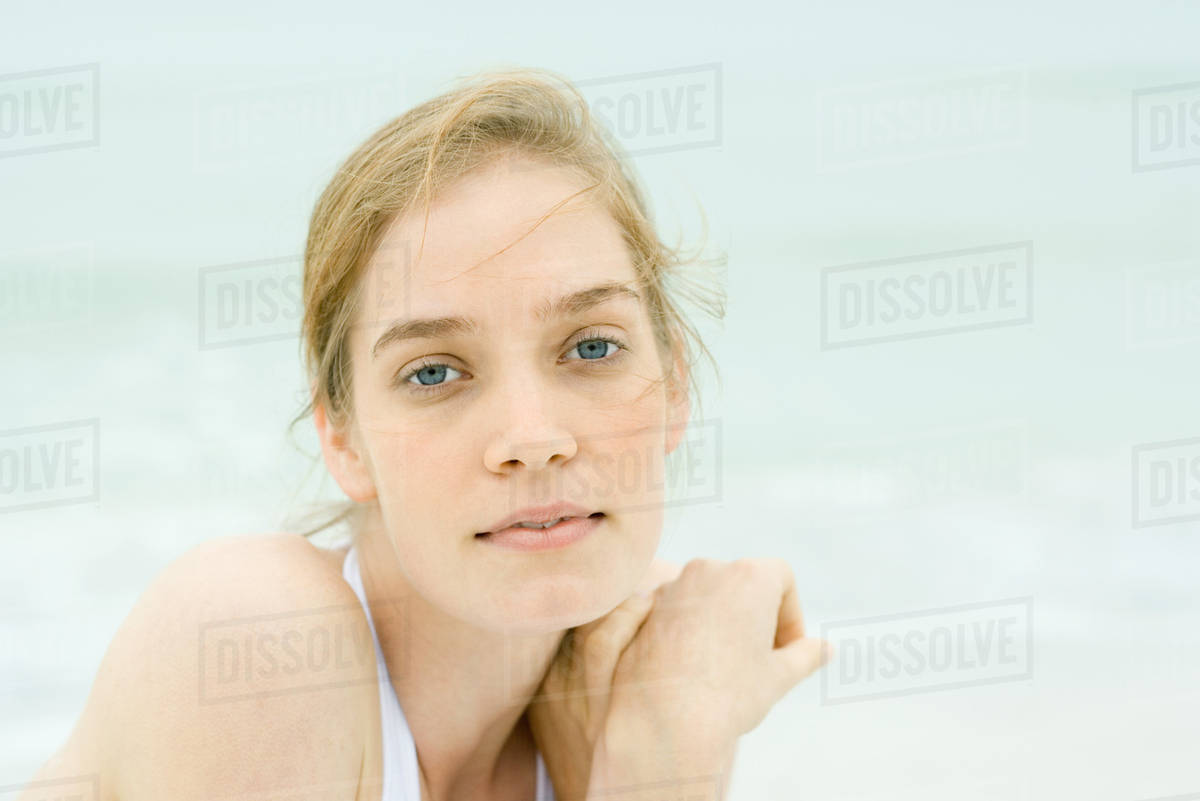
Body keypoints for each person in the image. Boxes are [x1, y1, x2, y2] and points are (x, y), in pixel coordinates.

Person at [21, 66, 829, 801]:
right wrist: (657, 771)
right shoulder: (258, 641)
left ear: (675, 383)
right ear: (342, 436)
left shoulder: (643, 678)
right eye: (435, 372)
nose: (534, 437)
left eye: (592, 347)